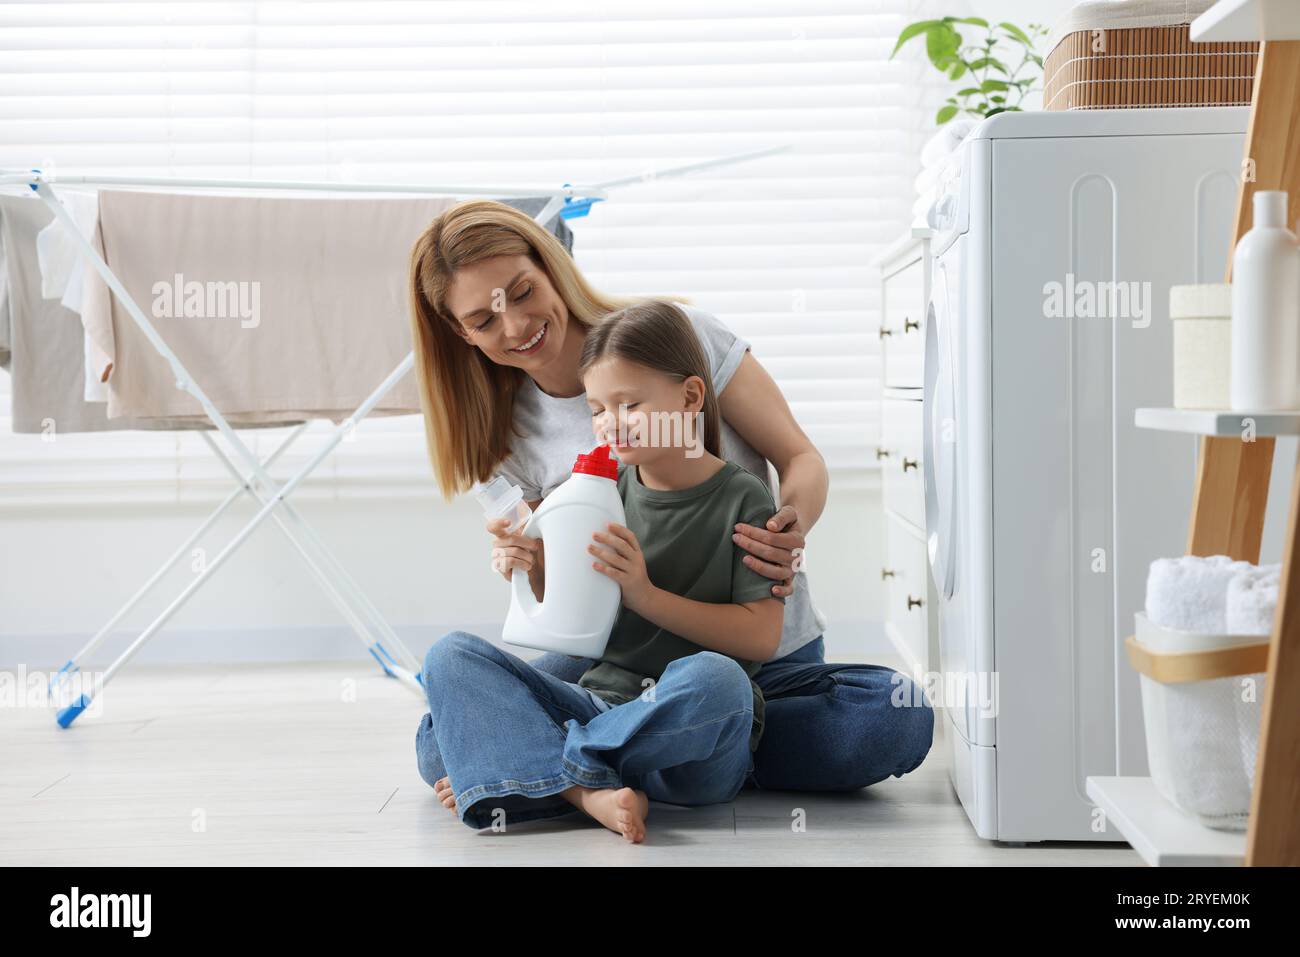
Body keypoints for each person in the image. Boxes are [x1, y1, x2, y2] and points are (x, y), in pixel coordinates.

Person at [408, 199, 932, 799]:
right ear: (460, 332)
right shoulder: (497, 436)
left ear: (552, 266)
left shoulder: (679, 337)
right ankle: (692, 751)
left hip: (760, 662)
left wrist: (792, 525)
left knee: (894, 713)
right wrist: (528, 562)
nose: (516, 326)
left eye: (522, 291)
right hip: (618, 664)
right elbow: (570, 596)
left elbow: (800, 458)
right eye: (483, 320)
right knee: (435, 738)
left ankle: (573, 760)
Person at [421, 301, 786, 841]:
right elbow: (572, 610)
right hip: (603, 701)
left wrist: (645, 596)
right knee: (448, 661)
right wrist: (528, 567)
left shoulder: (744, 498)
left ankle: (532, 769)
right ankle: (583, 786)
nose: (610, 424)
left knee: (718, 679)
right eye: (597, 409)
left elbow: (761, 637)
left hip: (687, 739)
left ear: (689, 397)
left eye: (629, 404)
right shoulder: (601, 493)